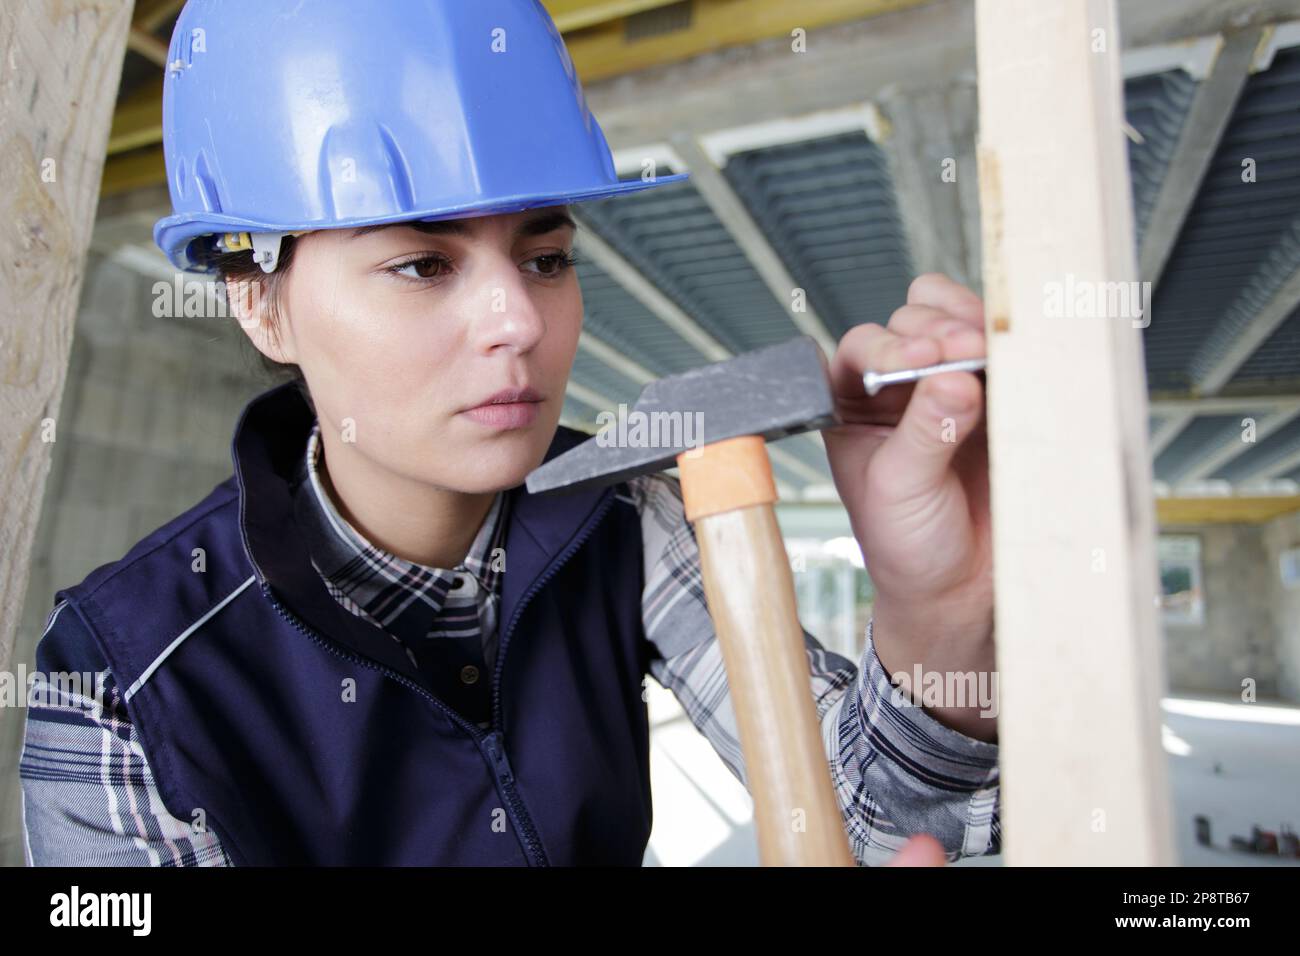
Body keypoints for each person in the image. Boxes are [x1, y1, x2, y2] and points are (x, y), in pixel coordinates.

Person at [19, 0, 997, 867]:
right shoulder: (116, 672)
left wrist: (936, 611)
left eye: (544, 255)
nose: (520, 322)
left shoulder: (627, 519)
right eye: (421, 265)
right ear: (260, 305)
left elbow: (879, 830)